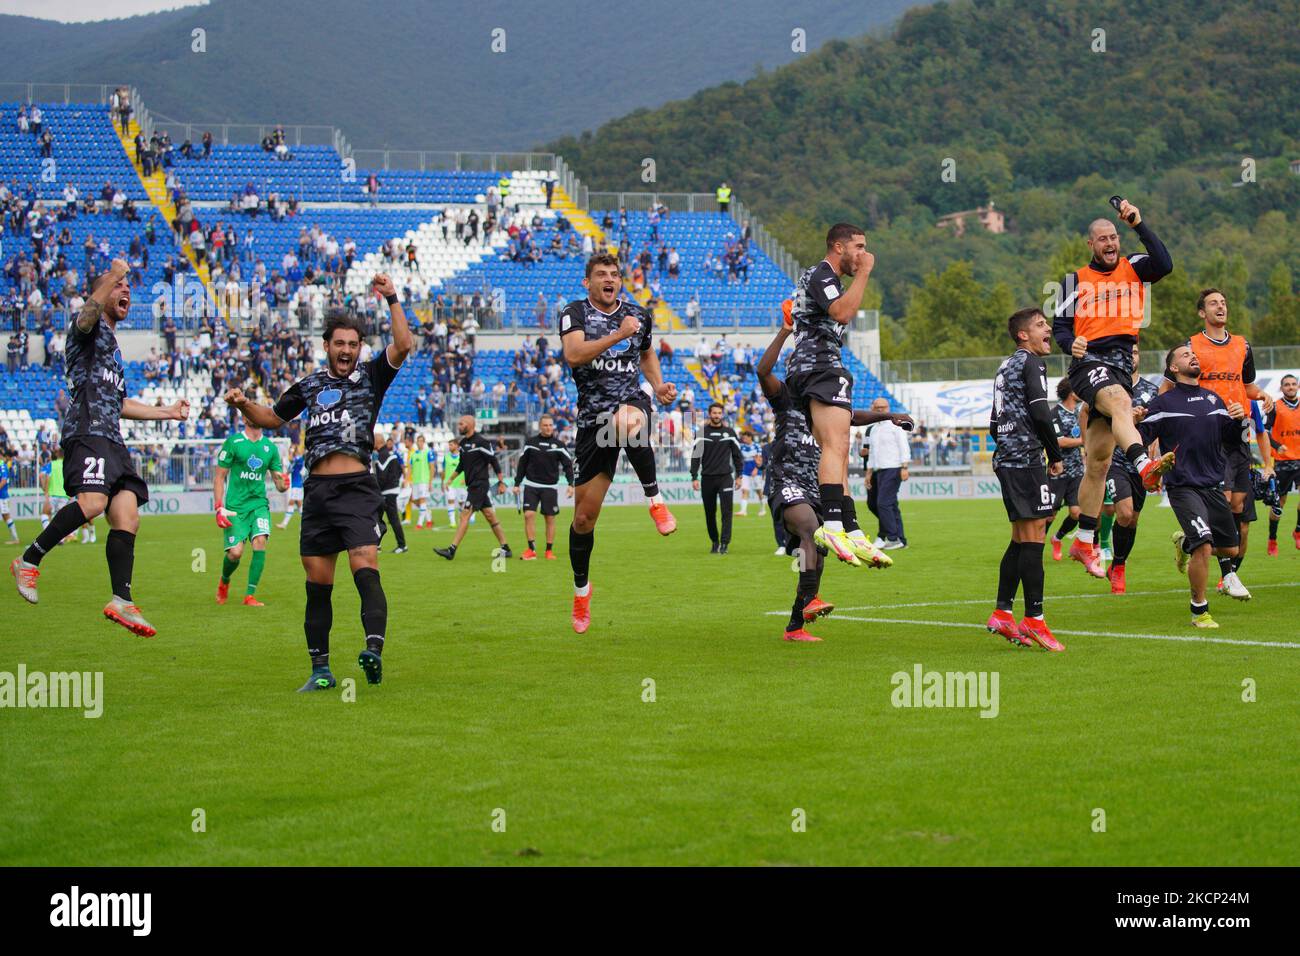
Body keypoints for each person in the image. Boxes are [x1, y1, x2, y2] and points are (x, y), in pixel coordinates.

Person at [224, 273, 411, 691]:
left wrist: (392, 297)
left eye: (353, 344)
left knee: (366, 565)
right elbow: (272, 418)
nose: (346, 350)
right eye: (339, 343)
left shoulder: (371, 377)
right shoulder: (309, 386)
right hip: (318, 495)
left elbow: (403, 344)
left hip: (359, 488)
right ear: (326, 346)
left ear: (359, 348)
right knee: (318, 586)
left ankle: (373, 650)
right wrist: (242, 405)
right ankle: (321, 671)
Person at [11, 260, 189, 635]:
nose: (126, 291)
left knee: (128, 516)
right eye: (119, 286)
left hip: (112, 438)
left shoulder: (114, 348)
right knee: (92, 504)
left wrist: (166, 412)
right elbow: (87, 313)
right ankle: (28, 560)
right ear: (103, 291)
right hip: (86, 431)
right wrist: (110, 276)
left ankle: (121, 600)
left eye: (128, 287)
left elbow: (121, 403)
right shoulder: (85, 332)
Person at [756, 322, 907, 642]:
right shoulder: (786, 398)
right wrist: (784, 333)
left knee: (817, 552)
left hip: (817, 485)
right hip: (787, 480)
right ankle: (810, 600)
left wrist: (887, 416)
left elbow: (855, 416)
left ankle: (795, 626)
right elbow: (762, 370)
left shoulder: (827, 405)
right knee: (812, 530)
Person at [1052, 198, 1174, 577]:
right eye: (1102, 238)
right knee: (1122, 402)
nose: (1110, 243)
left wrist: (1139, 223)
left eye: (1114, 237)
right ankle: (1143, 463)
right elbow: (1059, 326)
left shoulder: (1134, 267)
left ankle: (1084, 541)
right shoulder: (1073, 281)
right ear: (1091, 244)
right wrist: (1068, 344)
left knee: (1100, 462)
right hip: (1089, 363)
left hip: (1121, 362)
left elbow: (1165, 265)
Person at [560, 253, 678, 633]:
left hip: (630, 405)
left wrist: (658, 385)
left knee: (628, 422)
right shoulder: (575, 313)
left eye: (614, 274)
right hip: (591, 423)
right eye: (601, 275)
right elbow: (574, 354)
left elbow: (646, 353)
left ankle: (655, 500)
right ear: (588, 282)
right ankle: (581, 591)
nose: (609, 279)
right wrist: (617, 335)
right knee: (583, 519)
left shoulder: (638, 314)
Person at [1161, 289, 1274, 599]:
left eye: (1223, 302)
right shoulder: (1191, 347)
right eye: (1213, 303)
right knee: (1221, 497)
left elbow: (1247, 385)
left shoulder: (1243, 345)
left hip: (1238, 431)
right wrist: (1160, 424)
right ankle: (1227, 576)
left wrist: (1263, 396)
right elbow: (1169, 386)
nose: (1220, 306)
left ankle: (1189, 541)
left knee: (1237, 504)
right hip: (1208, 432)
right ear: (1202, 313)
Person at [786, 226, 886, 567]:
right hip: (819, 365)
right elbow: (842, 313)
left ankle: (852, 530)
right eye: (858, 246)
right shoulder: (822, 273)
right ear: (838, 246)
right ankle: (830, 525)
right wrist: (866, 272)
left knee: (838, 449)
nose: (863, 253)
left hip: (817, 366)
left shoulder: (829, 280)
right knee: (837, 444)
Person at [1138, 345, 1245, 628]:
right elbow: (1138, 437)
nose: (1193, 356)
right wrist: (1136, 421)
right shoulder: (1163, 403)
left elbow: (1234, 440)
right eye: (1185, 355)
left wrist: (1238, 419)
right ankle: (1200, 612)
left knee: (1231, 551)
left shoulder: (1214, 398)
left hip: (1213, 486)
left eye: (1193, 354)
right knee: (1204, 546)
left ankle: (1184, 541)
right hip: (1183, 486)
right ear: (1173, 368)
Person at [985, 308, 1066, 652]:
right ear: (1023, 335)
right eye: (1040, 325)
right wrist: (1055, 455)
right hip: (1025, 459)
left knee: (1021, 538)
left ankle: (1003, 611)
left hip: (1007, 458)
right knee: (1034, 538)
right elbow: (1039, 410)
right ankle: (1034, 619)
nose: (1047, 328)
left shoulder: (1005, 366)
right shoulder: (1032, 363)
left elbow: (993, 422)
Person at [1090, 343, 1162, 593]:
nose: (1131, 357)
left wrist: (1157, 458)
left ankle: (1118, 564)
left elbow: (1158, 428)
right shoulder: (1107, 390)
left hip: (1141, 466)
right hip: (1116, 460)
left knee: (1133, 521)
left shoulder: (1153, 391)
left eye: (1135, 353)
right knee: (1124, 513)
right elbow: (1092, 419)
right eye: (1126, 353)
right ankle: (1119, 568)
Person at [213, 423, 288, 606]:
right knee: (235, 553)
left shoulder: (270, 447)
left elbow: (279, 485)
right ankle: (224, 580)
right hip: (235, 507)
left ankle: (249, 595)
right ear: (245, 418)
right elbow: (220, 477)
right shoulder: (234, 442)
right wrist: (218, 507)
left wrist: (283, 484)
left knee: (260, 541)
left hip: (259, 504)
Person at [434, 415, 510, 559]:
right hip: (473, 486)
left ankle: (451, 550)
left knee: (464, 515)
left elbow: (494, 462)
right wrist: (450, 479)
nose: (459, 426)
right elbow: (461, 465)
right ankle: (506, 548)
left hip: (480, 484)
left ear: (470, 424)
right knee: (490, 517)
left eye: (461, 424)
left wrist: (501, 482)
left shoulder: (482, 442)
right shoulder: (462, 444)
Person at [513, 414, 573, 560]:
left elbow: (568, 466)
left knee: (550, 518)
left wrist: (571, 484)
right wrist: (517, 483)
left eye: (550, 425)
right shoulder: (531, 442)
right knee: (529, 515)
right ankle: (531, 549)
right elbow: (522, 464)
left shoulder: (559, 445)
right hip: (531, 485)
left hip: (550, 487)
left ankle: (548, 550)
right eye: (545, 425)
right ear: (540, 426)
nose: (548, 428)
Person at [691, 403, 744, 554]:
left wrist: (739, 475)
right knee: (710, 513)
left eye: (719, 413)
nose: (716, 415)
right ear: (709, 414)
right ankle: (714, 541)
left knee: (727, 512)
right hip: (707, 478)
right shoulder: (701, 432)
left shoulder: (730, 432)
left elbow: (737, 456)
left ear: (722, 414)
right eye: (714, 413)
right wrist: (694, 476)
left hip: (725, 477)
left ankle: (725, 544)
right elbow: (695, 456)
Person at [864, 397, 910, 549]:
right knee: (890, 505)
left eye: (882, 407)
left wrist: (904, 466)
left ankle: (893, 537)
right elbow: (871, 453)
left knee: (883, 503)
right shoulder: (874, 428)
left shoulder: (895, 425)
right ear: (873, 408)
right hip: (879, 469)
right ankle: (900, 539)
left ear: (888, 408)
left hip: (893, 467)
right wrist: (869, 472)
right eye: (877, 407)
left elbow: (903, 446)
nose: (879, 410)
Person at [1047, 379, 1085, 561]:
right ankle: (1035, 546)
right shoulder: (1055, 414)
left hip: (1077, 471)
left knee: (1077, 513)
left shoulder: (1080, 413)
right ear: (1071, 392)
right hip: (1058, 470)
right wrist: (1083, 441)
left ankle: (1057, 538)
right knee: (1050, 515)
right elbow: (1059, 441)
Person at [1265, 374, 1300, 555]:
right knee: (1279, 504)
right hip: (1282, 462)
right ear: (1282, 388)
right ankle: (1273, 538)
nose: (1290, 387)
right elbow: (1264, 431)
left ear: (1298, 386)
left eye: (1293, 384)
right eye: (1287, 384)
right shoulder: (1275, 407)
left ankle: (1298, 531)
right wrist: (1277, 446)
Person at [373, 434, 407, 553]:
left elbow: (381, 477)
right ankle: (378, 545)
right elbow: (398, 471)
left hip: (386, 492)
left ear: (377, 442)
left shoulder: (382, 456)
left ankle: (402, 546)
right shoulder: (390, 455)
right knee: (378, 518)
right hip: (391, 490)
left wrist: (376, 490)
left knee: (390, 519)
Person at [407, 433, 435, 529]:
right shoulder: (413, 454)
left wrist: (430, 482)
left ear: (424, 442)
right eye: (418, 441)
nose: (419, 443)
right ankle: (428, 516)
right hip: (415, 481)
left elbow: (432, 468)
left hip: (424, 481)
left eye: (421, 441)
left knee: (422, 500)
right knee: (415, 500)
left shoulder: (428, 452)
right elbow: (410, 468)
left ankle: (419, 524)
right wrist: (407, 480)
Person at [277, 443, 305, 529]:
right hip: (296, 484)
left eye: (292, 449)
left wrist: (282, 476)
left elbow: (289, 470)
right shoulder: (295, 459)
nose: (290, 450)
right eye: (290, 449)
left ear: (295, 450)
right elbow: (289, 470)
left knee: (292, 502)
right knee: (299, 504)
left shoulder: (298, 459)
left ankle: (284, 524)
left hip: (297, 484)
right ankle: (304, 524)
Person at [737, 429, 764, 517]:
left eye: (745, 438)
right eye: (743, 438)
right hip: (745, 471)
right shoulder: (742, 447)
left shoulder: (757, 446)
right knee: (745, 490)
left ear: (750, 438)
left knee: (759, 491)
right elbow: (741, 460)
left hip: (756, 471)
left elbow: (759, 459)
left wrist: (756, 469)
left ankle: (762, 509)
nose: (743, 440)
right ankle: (743, 511)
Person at [0, 452, 18, 543]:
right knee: (5, 516)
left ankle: (15, 539)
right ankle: (15, 538)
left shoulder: (2, 465)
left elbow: (3, 480)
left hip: (2, 496)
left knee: (6, 516)